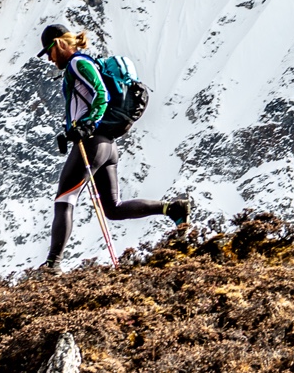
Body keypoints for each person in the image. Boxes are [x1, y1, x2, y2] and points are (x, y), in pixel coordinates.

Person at [35, 24, 190, 271]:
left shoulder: (78, 63)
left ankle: (52, 265)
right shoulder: (80, 65)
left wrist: (86, 127)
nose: (51, 60)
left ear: (59, 44)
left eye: (49, 52)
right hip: (107, 145)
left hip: (93, 142)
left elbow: (101, 93)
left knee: (65, 198)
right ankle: (173, 208)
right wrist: (69, 134)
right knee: (113, 209)